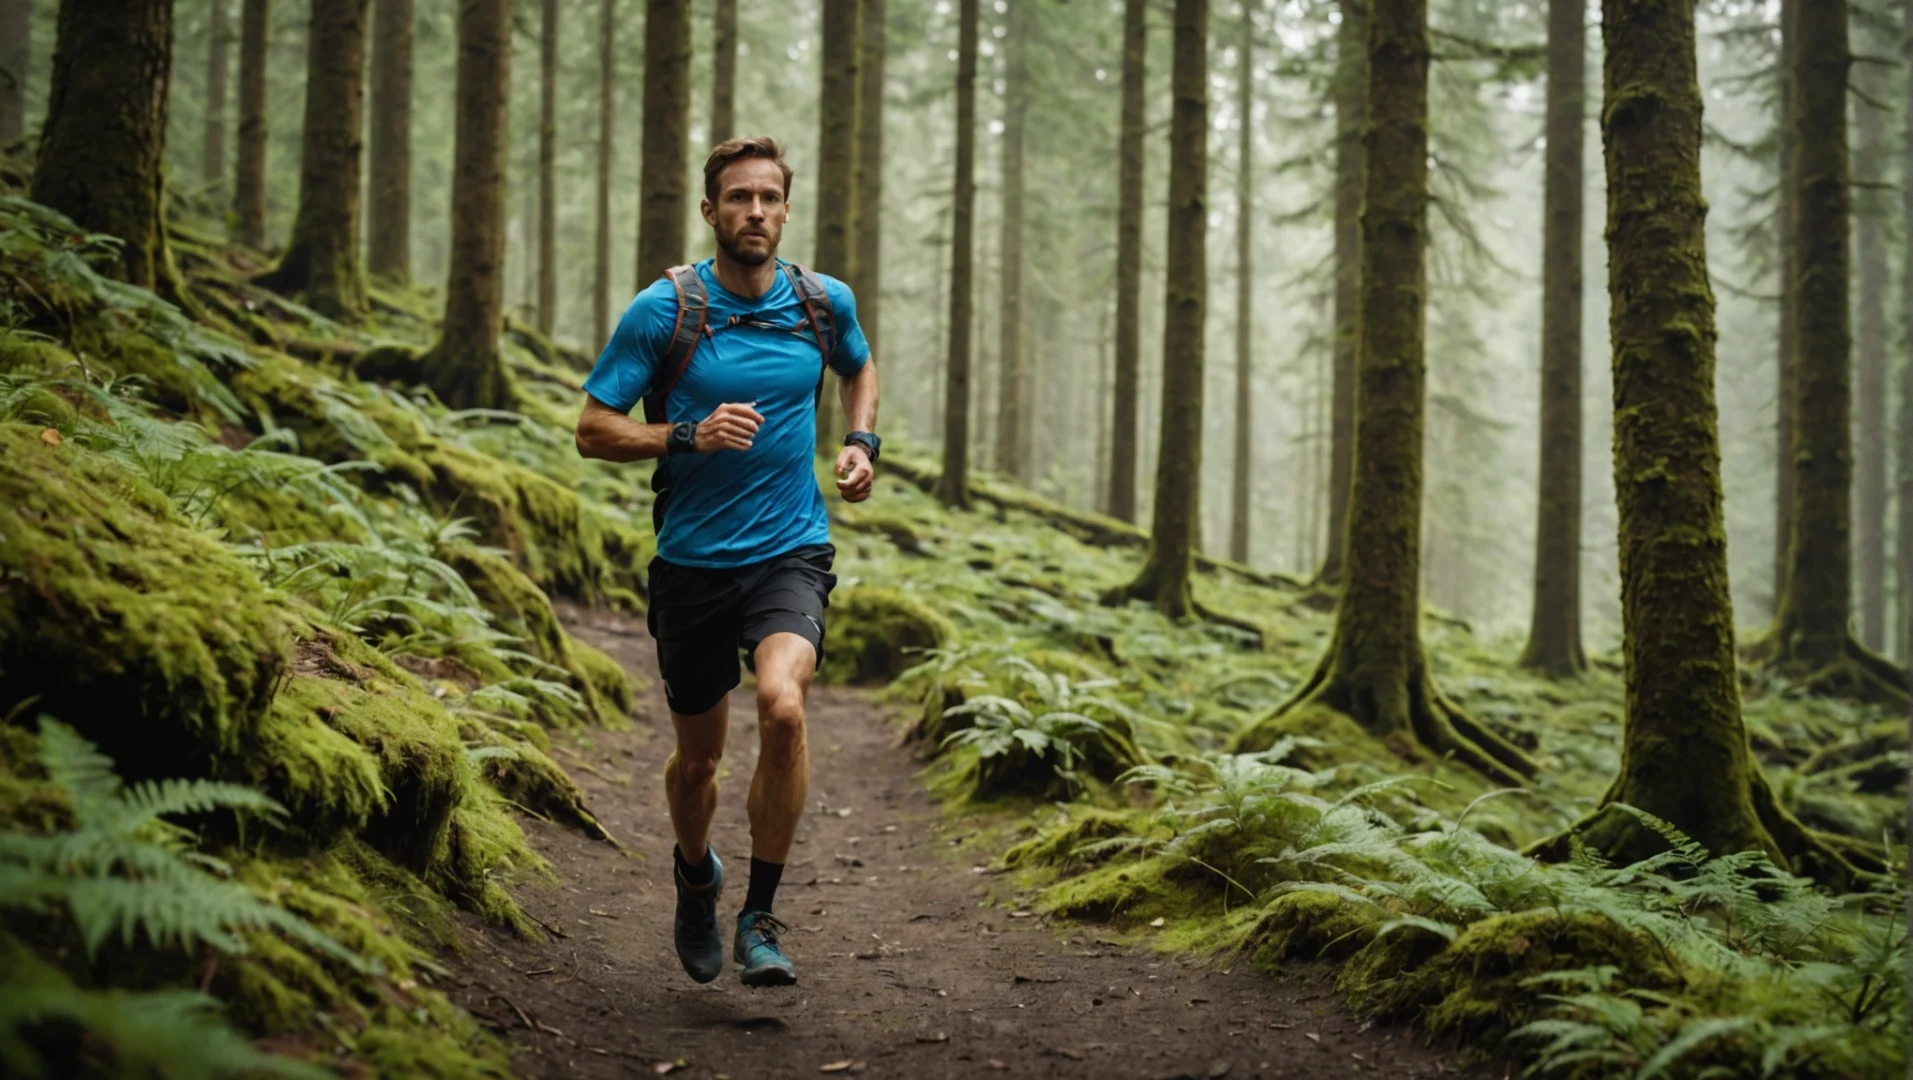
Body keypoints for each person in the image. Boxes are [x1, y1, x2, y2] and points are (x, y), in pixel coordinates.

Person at [573, 136, 881, 987]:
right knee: (698, 761)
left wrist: (860, 443)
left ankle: (759, 915)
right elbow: (592, 428)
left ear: (786, 209)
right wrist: (684, 433)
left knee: (783, 706)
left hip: (790, 550)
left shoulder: (822, 303)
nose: (755, 212)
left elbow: (859, 368)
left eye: (769, 198)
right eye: (738, 198)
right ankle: (693, 871)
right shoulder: (665, 311)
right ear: (710, 212)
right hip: (692, 564)